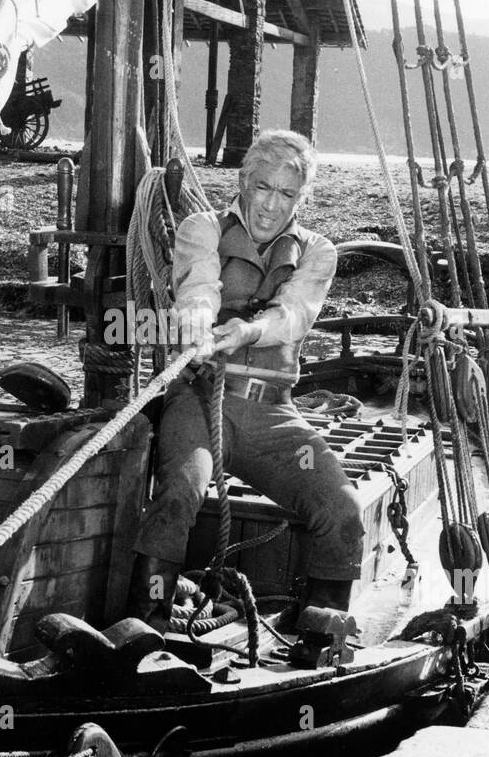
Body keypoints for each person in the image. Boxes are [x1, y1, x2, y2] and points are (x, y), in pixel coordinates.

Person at [128, 129, 366, 632]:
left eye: (287, 194)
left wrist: (248, 330)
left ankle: (321, 635)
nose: (270, 205)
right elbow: (197, 287)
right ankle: (146, 624)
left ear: (302, 198)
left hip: (273, 415)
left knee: (340, 510)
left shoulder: (318, 250)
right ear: (243, 181)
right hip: (197, 400)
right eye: (262, 187)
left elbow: (295, 313)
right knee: (180, 492)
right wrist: (196, 326)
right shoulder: (202, 228)